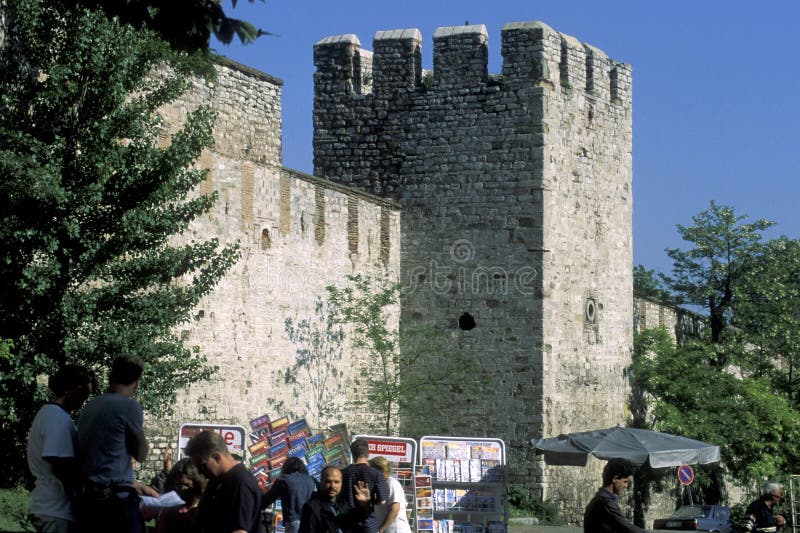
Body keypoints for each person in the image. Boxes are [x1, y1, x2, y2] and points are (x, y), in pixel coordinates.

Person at [76, 354, 155, 533]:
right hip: (116, 500)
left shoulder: (91, 405)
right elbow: (141, 454)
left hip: (89, 498)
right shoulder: (129, 406)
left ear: (111, 377)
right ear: (136, 382)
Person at [26, 364, 97, 533]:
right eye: (83, 394)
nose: (83, 401)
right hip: (55, 508)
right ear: (69, 389)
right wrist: (89, 486)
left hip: (51, 506)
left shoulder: (52, 414)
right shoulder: (56, 417)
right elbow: (60, 464)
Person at [185, 430, 261, 533]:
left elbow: (239, 531)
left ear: (216, 457)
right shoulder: (217, 481)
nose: (200, 472)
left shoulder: (240, 483)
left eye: (203, 466)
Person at [298, 465, 371, 533]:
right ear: (321, 482)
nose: (333, 486)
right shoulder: (312, 507)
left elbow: (356, 520)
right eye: (328, 482)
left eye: (336, 482)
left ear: (341, 483)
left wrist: (364, 505)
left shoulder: (343, 503)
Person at [583, 458, 646, 533]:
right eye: (625, 481)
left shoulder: (602, 500)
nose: (626, 486)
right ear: (615, 478)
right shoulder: (605, 503)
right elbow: (626, 527)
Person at [341, 439, 390, 533]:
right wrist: (370, 501)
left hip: (347, 523)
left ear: (353, 454)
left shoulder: (343, 473)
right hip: (368, 523)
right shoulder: (375, 473)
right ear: (368, 453)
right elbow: (382, 500)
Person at [261, 456, 318, 533]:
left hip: (294, 522)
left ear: (286, 467)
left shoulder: (284, 479)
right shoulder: (312, 480)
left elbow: (269, 498)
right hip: (311, 522)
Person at [154, 458, 208, 533]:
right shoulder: (167, 508)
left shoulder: (203, 509)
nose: (182, 489)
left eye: (186, 485)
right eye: (178, 484)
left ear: (197, 484)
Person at [368, 456, 411, 533]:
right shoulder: (381, 485)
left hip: (396, 530)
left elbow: (394, 510)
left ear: (380, 470)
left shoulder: (391, 483)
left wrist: (380, 530)